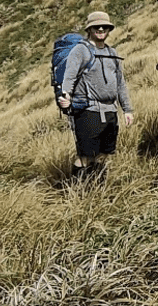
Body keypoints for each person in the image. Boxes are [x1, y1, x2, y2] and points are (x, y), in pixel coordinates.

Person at [57, 11, 133, 182]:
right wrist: (66, 96)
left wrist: (127, 109)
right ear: (89, 29)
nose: (100, 29)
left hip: (111, 111)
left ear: (109, 29)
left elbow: (120, 83)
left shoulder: (112, 52)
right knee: (86, 156)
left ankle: (97, 189)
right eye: (96, 26)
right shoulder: (80, 50)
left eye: (104, 26)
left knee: (104, 154)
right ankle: (76, 191)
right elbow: (69, 76)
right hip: (88, 111)